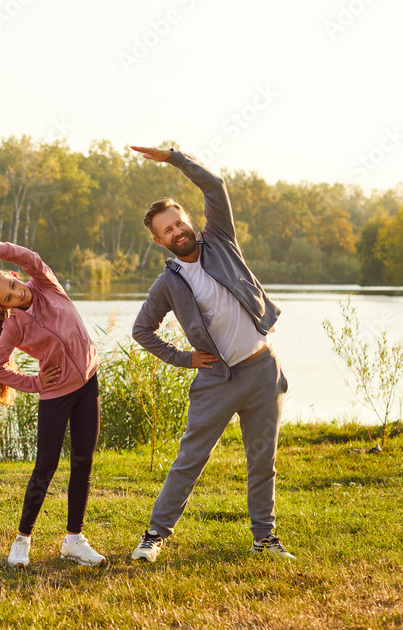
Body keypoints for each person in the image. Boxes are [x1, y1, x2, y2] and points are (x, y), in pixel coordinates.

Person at [127, 145, 295, 563]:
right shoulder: (167, 284)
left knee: (263, 460)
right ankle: (154, 536)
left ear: (188, 220)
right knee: (190, 460)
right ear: (159, 241)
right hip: (216, 381)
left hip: (263, 370)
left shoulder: (220, 240)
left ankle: (264, 538)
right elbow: (141, 331)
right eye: (167, 231)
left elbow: (215, 186)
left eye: (178, 222)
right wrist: (185, 358)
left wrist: (173, 158)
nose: (176, 232)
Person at [0, 240, 107, 568]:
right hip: (56, 395)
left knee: (83, 463)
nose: (15, 294)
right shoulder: (14, 325)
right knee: (45, 467)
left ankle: (74, 541)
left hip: (88, 382)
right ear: (3, 307)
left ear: (14, 276)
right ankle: (22, 540)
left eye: (12, 285)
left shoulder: (46, 285)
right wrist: (35, 383)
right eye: (7, 298)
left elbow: (30, 257)